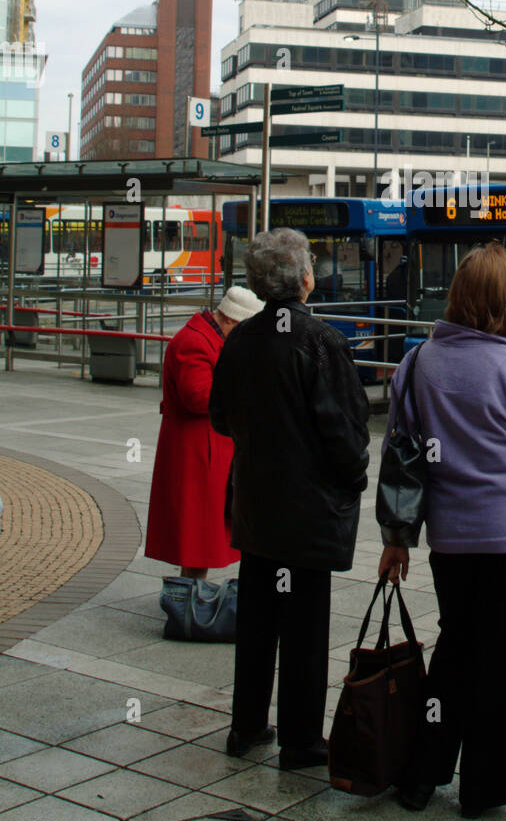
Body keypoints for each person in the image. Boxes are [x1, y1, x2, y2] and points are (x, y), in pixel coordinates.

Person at [378, 241, 506, 819]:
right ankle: (484, 791)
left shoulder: (417, 363)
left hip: (449, 542)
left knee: (454, 653)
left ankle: (422, 774)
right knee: (499, 667)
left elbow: (401, 460)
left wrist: (396, 541)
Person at [209, 227, 370, 767]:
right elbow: (347, 435)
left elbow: (219, 416)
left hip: (257, 509)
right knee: (304, 630)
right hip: (307, 516)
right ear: (305, 279)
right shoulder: (322, 342)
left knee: (256, 625)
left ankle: (247, 726)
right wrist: (352, 482)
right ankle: (301, 739)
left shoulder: (239, 340)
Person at [145, 286, 263, 579]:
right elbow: (199, 398)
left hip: (205, 449)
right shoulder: (194, 342)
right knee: (198, 533)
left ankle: (191, 593)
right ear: (233, 321)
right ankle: (189, 597)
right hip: (197, 452)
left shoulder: (205, 338)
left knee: (201, 533)